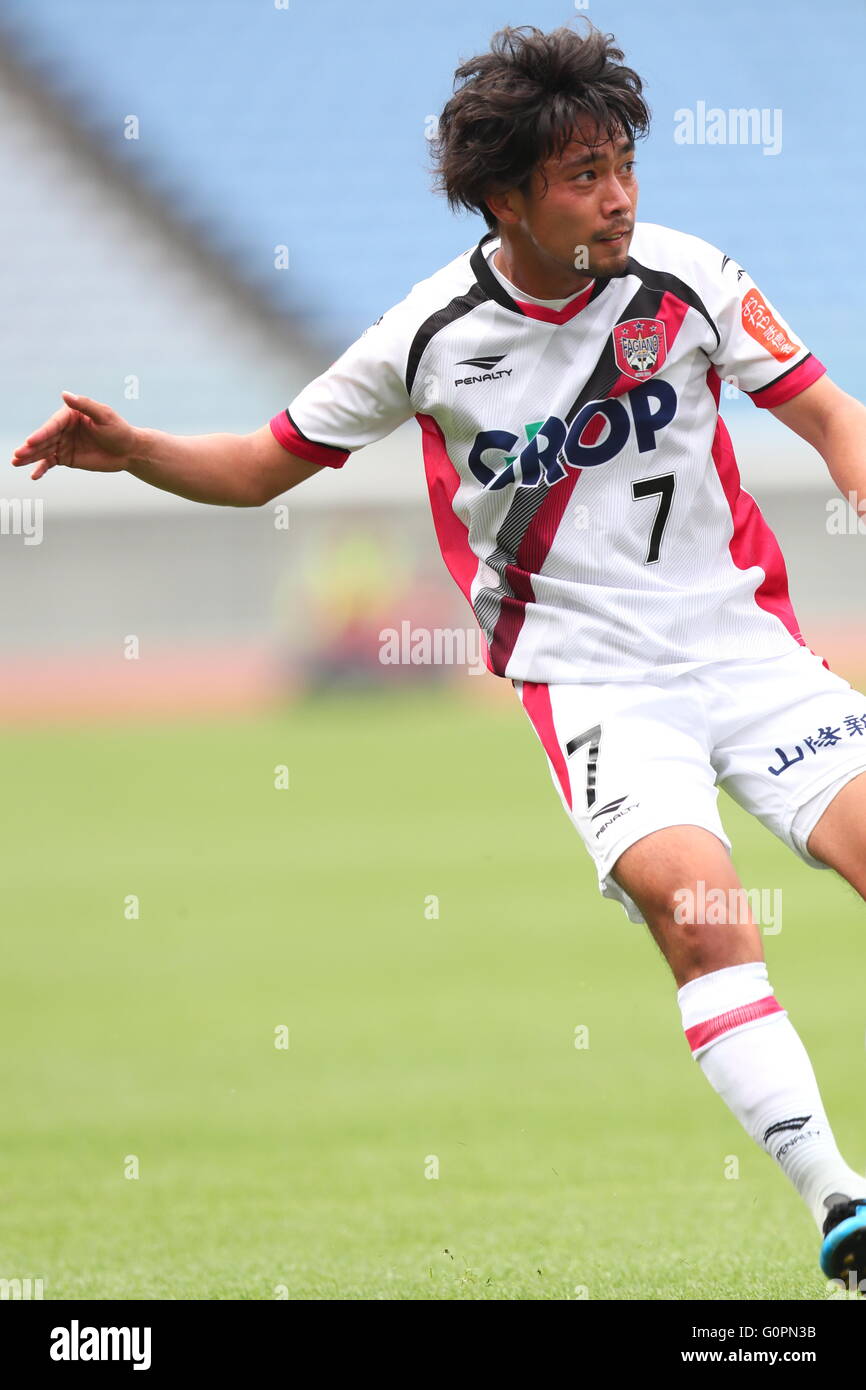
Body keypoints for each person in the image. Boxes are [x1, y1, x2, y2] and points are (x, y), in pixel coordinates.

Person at [12, 19, 866, 1290]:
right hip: (597, 690)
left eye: (624, 162)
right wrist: (136, 450)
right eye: (583, 175)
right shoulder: (426, 338)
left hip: (750, 657)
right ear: (503, 197)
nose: (618, 193)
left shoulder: (687, 279)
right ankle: (840, 1206)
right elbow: (258, 468)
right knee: (699, 914)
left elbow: (828, 414)